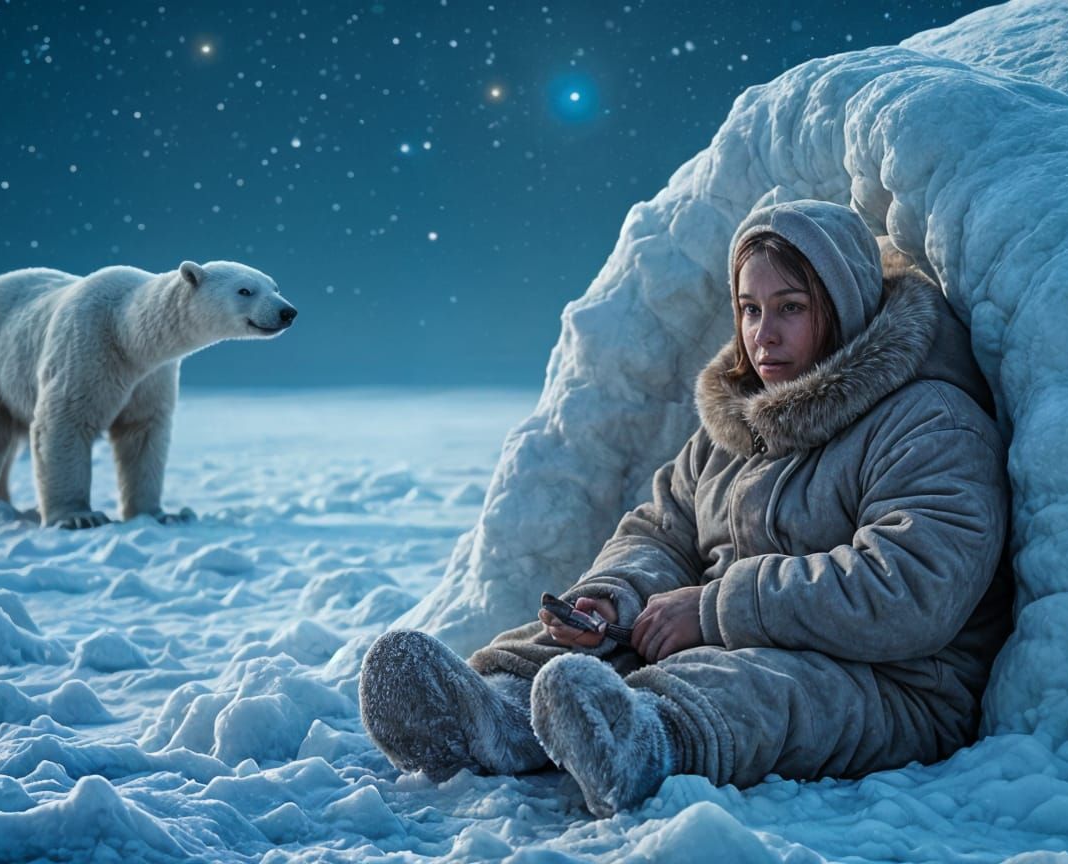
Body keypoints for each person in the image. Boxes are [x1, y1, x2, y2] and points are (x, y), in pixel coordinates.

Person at [359, 200, 1014, 818]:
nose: (765, 336)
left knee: (752, 680)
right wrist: (613, 600)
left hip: (893, 683)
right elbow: (662, 532)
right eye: (750, 310)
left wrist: (715, 609)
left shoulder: (929, 424)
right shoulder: (741, 427)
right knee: (589, 649)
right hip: (739, 633)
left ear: (843, 306)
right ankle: (498, 716)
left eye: (791, 307)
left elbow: (909, 589)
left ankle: (642, 741)